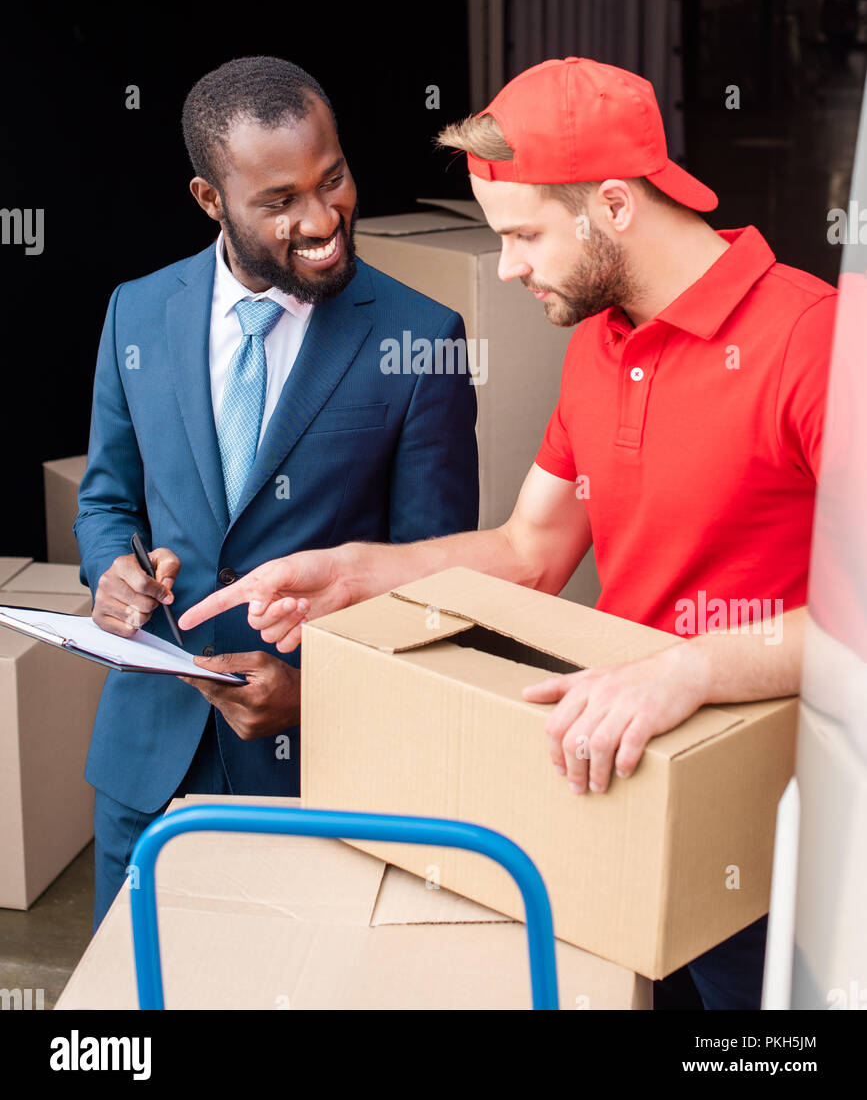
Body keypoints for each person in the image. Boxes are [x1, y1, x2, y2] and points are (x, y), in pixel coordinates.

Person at [180, 55, 837, 1008]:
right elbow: (528, 551)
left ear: (612, 205)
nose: (510, 265)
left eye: (524, 235)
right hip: (615, 777)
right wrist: (362, 571)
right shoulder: (598, 346)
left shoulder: (817, 344)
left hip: (770, 819)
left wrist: (687, 670)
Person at [75, 55, 479, 929]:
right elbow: (106, 500)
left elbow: (435, 594)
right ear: (209, 199)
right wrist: (111, 572)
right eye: (279, 200)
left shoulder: (423, 341)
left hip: (321, 778)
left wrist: (316, 692)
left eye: (331, 179)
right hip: (148, 770)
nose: (322, 218)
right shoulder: (134, 314)